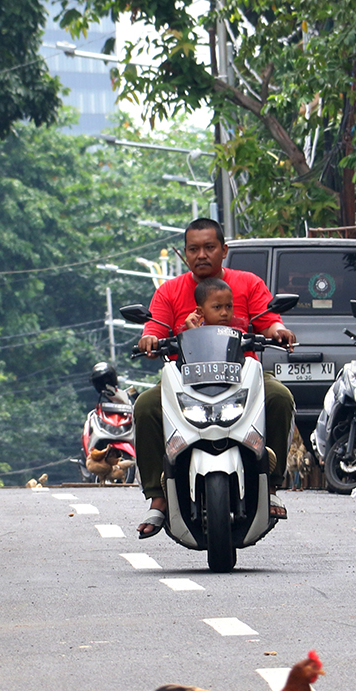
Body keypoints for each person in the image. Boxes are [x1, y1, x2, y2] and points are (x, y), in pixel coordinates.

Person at [135, 218, 297, 539]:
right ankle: (158, 497)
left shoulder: (248, 283)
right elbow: (154, 329)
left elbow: (269, 321)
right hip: (185, 379)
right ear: (185, 255)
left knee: (280, 397)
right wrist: (150, 341)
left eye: (209, 247)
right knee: (145, 406)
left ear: (224, 250)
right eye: (194, 249)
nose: (202, 255)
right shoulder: (169, 292)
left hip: (242, 376)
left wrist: (278, 332)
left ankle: (272, 484)